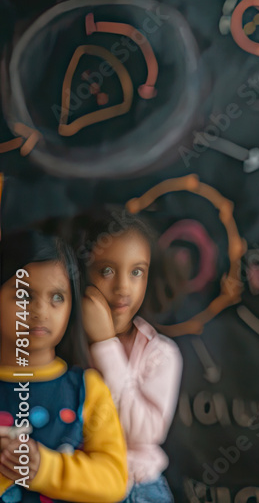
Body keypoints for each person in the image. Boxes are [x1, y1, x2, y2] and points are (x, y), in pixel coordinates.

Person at [0, 227, 128, 503]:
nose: (41, 311)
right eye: (24, 296)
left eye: (57, 297)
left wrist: (44, 469)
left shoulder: (86, 389)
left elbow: (115, 479)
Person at [74, 207, 184, 503]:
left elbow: (143, 433)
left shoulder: (160, 353)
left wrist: (105, 344)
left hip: (138, 489)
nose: (123, 287)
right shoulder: (62, 345)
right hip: (74, 485)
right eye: (106, 271)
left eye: (137, 272)